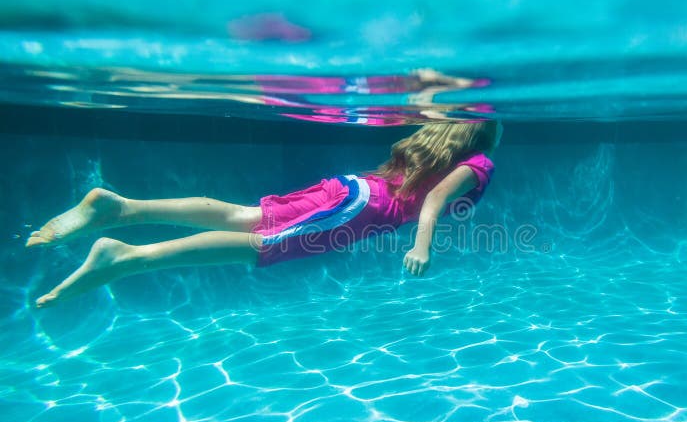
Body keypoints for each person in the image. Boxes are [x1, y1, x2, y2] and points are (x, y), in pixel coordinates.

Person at [27, 121, 501, 308]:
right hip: (363, 208)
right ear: (487, 134)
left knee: (246, 218)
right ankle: (125, 257)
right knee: (263, 247)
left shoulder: (438, 144)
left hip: (352, 189)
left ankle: (121, 208)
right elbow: (435, 200)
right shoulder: (480, 163)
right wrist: (422, 246)